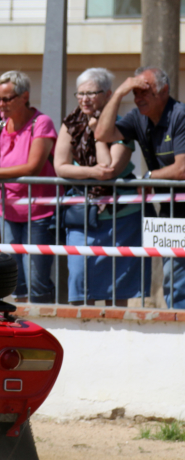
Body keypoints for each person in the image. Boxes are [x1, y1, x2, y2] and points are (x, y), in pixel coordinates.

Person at [95, 66, 185, 309]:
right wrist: (118, 94)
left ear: (164, 91)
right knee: (174, 279)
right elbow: (102, 133)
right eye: (134, 93)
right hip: (170, 211)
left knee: (178, 280)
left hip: (179, 209)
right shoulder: (137, 116)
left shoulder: (180, 115)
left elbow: (181, 169)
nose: (138, 98)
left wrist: (148, 177)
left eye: (145, 91)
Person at [54, 68, 144, 306]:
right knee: (79, 279)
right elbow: (61, 167)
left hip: (121, 218)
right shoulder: (70, 124)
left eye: (92, 93)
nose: (85, 99)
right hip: (82, 214)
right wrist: (92, 173)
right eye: (80, 93)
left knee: (117, 289)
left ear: (108, 95)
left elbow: (109, 168)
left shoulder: (123, 125)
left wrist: (97, 133)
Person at [0, 71, 56, 303]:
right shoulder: (0, 125)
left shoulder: (41, 122)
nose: (1, 104)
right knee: (15, 281)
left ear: (24, 96)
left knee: (37, 280)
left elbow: (32, 168)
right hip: (8, 212)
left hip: (39, 213)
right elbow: (2, 168)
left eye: (7, 99)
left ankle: (44, 327)